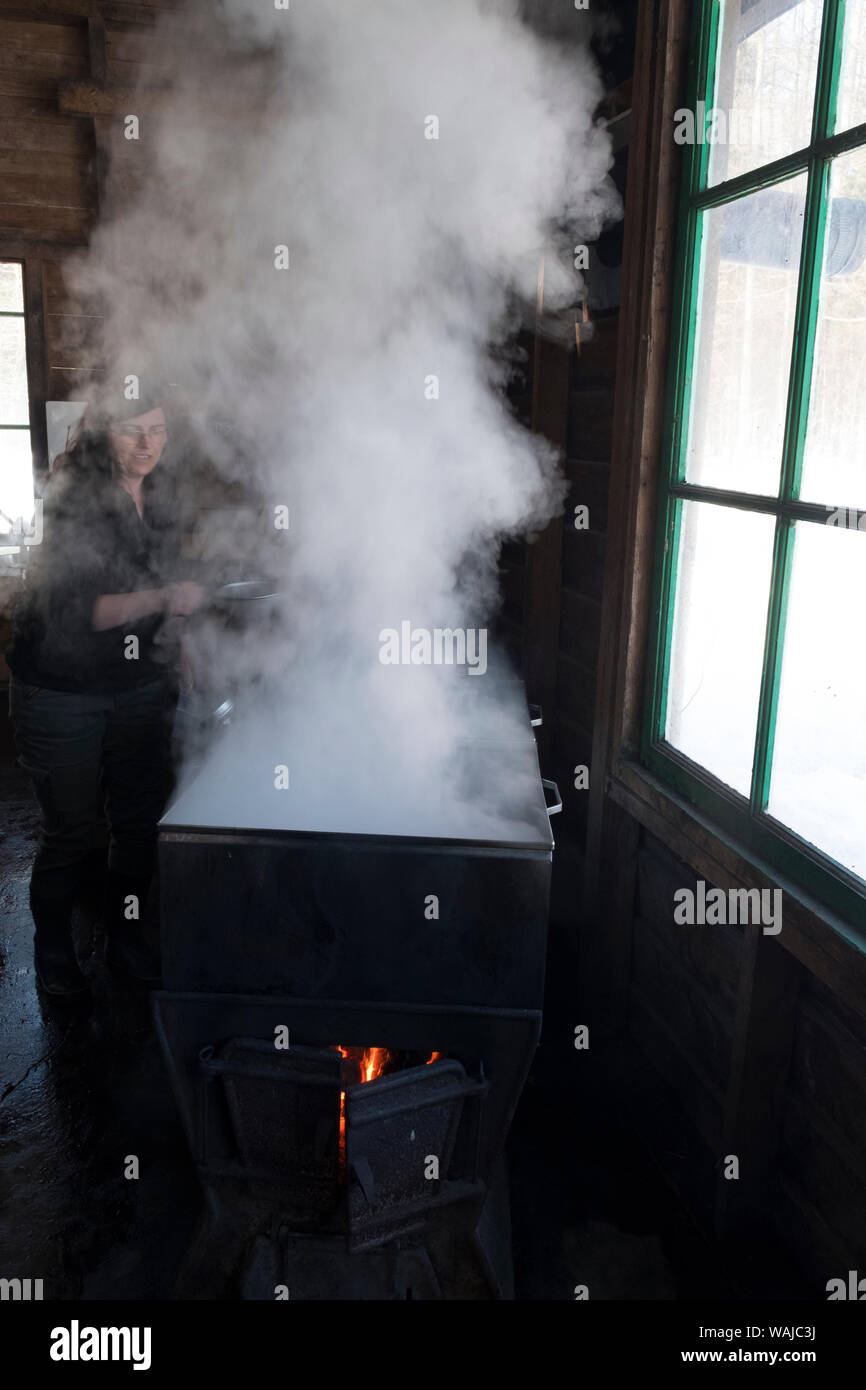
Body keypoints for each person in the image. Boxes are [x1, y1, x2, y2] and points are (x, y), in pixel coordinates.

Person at [6, 389, 205, 996]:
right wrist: (169, 599)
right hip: (61, 686)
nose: (147, 444)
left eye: (158, 430)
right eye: (131, 430)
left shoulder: (161, 495)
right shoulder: (76, 497)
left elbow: (171, 578)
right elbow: (82, 610)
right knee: (74, 832)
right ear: (101, 431)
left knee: (140, 823)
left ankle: (125, 938)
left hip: (137, 680)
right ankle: (54, 955)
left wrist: (185, 643)